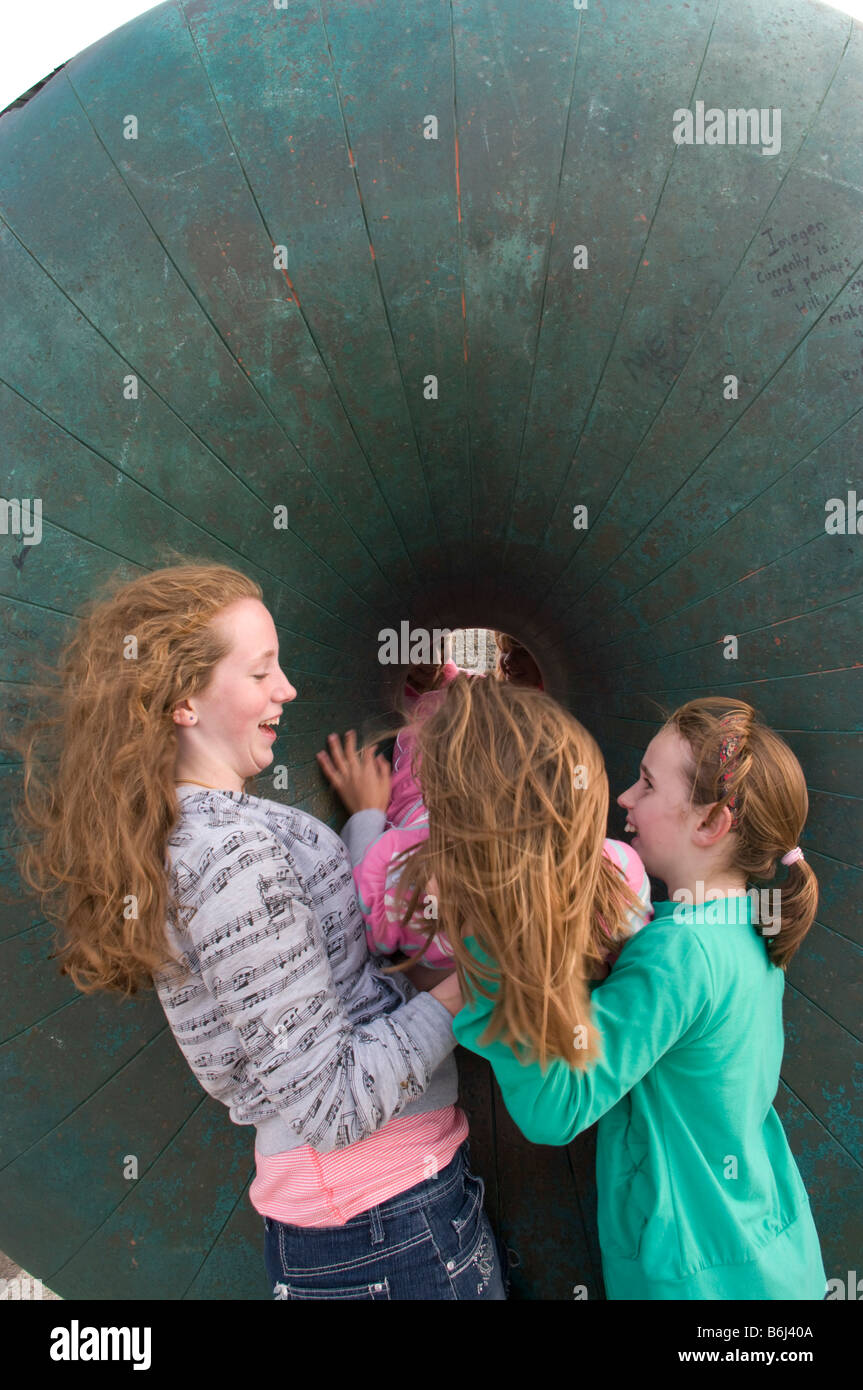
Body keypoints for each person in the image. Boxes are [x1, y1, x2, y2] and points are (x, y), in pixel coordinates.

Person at [14, 562, 506, 1301]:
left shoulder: (208, 834)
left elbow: (321, 996)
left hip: (380, 1215)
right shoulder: (229, 855)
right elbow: (330, 1104)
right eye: (261, 672)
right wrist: (464, 986)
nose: (288, 690)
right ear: (184, 699)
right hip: (382, 1223)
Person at [444, 692, 828, 1300]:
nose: (624, 798)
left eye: (647, 785)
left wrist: (492, 953)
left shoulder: (679, 953)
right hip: (765, 1257)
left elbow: (557, 1105)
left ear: (710, 822)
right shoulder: (747, 928)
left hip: (698, 1282)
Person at [330, 672, 651, 985]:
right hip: (453, 809)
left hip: (423, 817)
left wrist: (367, 812)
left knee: (419, 735)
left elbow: (357, 916)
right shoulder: (619, 870)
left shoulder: (397, 867)